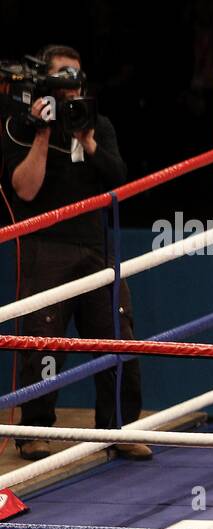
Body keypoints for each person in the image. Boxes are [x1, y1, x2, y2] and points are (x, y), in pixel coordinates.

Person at [1, 45, 150, 462]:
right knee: (43, 342)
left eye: (77, 79)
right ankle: (33, 431)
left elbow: (117, 181)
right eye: (63, 79)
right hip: (45, 246)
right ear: (44, 83)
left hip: (95, 247)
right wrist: (44, 134)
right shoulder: (19, 126)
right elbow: (25, 188)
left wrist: (87, 138)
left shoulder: (97, 122)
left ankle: (119, 427)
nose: (72, 88)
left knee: (118, 335)